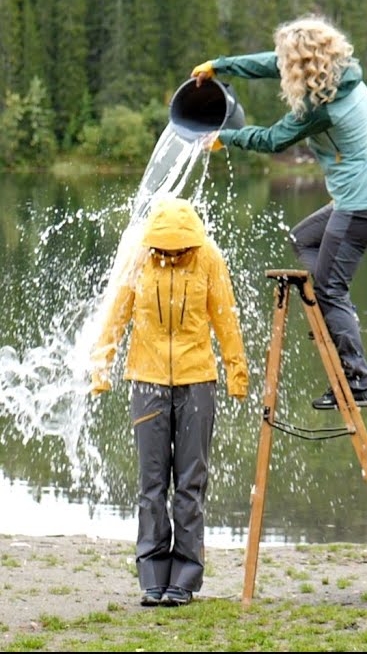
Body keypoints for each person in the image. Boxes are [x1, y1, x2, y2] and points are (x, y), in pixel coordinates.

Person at [191, 13, 367, 411]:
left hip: (361, 205)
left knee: (327, 289)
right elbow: (272, 62)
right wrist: (220, 66)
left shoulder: (321, 107)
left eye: (289, 59)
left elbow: (272, 140)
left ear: (305, 65)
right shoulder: (342, 72)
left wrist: (224, 138)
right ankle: (333, 313)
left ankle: (356, 382)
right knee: (303, 240)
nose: (281, 65)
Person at [89, 196, 248, 607]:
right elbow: (116, 315)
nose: (172, 253)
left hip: (198, 383)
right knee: (152, 484)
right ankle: (152, 577)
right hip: (146, 381)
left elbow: (225, 317)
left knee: (191, 485)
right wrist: (100, 366)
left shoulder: (210, 258)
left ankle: (185, 578)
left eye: (179, 248)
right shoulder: (139, 257)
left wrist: (237, 372)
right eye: (165, 248)